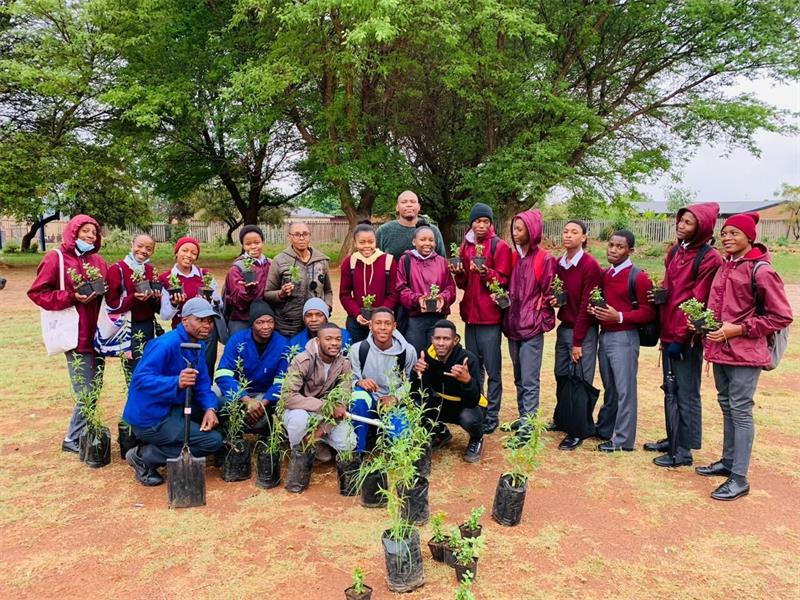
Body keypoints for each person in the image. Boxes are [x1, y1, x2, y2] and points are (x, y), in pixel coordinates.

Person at [698, 213, 792, 501]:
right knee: (727, 406)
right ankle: (728, 462)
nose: (727, 238)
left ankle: (739, 478)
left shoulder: (761, 271)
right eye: (724, 233)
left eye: (734, 233)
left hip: (745, 354)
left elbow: (781, 315)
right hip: (721, 350)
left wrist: (738, 329)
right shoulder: (726, 265)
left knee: (740, 411)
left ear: (749, 237)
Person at [644, 203, 722, 467]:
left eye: (689, 223)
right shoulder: (676, 251)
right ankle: (673, 437)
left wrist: (680, 337)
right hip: (668, 332)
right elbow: (670, 286)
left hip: (685, 336)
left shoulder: (709, 257)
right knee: (670, 387)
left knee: (686, 391)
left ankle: (684, 450)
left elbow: (697, 301)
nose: (681, 226)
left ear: (702, 228)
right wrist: (659, 295)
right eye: (681, 221)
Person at [28, 214, 108, 454]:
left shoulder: (98, 261)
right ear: (73, 232)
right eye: (85, 231)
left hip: (97, 334)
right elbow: (38, 293)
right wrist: (72, 296)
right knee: (85, 389)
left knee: (95, 386)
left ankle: (83, 433)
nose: (90, 236)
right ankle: (73, 438)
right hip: (75, 333)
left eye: (94, 233)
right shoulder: (56, 258)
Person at [122, 298, 223, 486]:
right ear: (184, 321)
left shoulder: (197, 345)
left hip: (175, 406)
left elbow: (202, 383)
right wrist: (175, 382)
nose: (207, 326)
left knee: (222, 403)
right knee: (212, 441)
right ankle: (144, 457)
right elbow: (140, 379)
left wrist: (211, 408)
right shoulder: (166, 344)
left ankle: (172, 440)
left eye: (209, 321)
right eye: (200, 320)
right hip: (151, 418)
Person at [591, 230, 656, 452]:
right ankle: (605, 429)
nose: (613, 250)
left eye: (620, 246)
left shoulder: (638, 276)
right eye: (611, 245)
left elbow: (649, 312)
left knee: (625, 389)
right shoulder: (606, 275)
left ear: (630, 250)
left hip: (625, 337)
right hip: (605, 335)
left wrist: (619, 316)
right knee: (611, 387)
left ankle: (623, 440)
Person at [451, 202, 512, 435]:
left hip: (490, 317)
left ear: (491, 224)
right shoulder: (466, 248)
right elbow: (465, 284)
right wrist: (460, 275)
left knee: (493, 369)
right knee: (475, 369)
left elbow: (504, 280)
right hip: (471, 317)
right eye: (478, 221)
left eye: (486, 221)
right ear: (472, 223)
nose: (482, 225)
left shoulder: (499, 246)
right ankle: (479, 408)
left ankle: (493, 414)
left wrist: (487, 273)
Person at [549, 220, 603, 450]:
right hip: (565, 327)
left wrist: (578, 341)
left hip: (582, 330)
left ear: (583, 238)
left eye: (574, 232)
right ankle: (562, 419)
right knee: (561, 374)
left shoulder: (589, 265)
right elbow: (558, 293)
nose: (568, 235)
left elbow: (585, 305)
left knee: (580, 379)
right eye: (565, 231)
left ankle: (578, 430)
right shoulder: (560, 263)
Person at [502, 209, 556, 430]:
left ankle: (528, 426)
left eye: (520, 229)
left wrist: (538, 317)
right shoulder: (513, 257)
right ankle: (523, 417)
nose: (515, 233)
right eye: (514, 228)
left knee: (530, 379)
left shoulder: (544, 259)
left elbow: (550, 292)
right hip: (512, 326)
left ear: (532, 231)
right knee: (518, 377)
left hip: (531, 328)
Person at [412, 320, 486, 463]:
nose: (441, 343)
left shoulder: (468, 359)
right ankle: (440, 432)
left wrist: (467, 380)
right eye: (437, 338)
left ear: (455, 340)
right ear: (432, 339)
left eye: (446, 339)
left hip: (465, 405)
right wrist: (417, 374)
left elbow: (473, 399)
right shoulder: (425, 356)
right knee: (416, 407)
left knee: (469, 418)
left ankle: (477, 438)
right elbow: (417, 392)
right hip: (440, 403)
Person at [282, 323, 356, 460]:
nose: (334, 343)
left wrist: (321, 430)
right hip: (301, 409)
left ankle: (317, 442)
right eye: (328, 339)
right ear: (318, 341)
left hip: (327, 415)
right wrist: (324, 406)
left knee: (349, 443)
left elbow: (341, 401)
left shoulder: (344, 364)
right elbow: (288, 397)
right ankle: (299, 453)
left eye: (338, 339)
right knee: (298, 421)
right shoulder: (302, 360)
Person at [349, 307, 417, 452]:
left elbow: (410, 382)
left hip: (393, 402)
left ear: (394, 326)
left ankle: (391, 443)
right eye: (378, 323)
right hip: (369, 399)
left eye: (387, 323)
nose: (383, 328)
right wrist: (359, 382)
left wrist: (395, 397)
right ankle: (358, 451)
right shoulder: (358, 349)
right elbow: (350, 378)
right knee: (357, 399)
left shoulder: (407, 351)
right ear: (370, 325)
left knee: (400, 441)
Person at [214, 300, 289, 433]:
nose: (266, 326)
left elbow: (281, 381)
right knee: (213, 393)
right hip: (240, 392)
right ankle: (225, 431)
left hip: (265, 396)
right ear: (252, 325)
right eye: (260, 322)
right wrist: (246, 400)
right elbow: (223, 375)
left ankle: (265, 432)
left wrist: (264, 402)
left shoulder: (282, 344)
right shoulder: (237, 340)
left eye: (270, 321)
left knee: (284, 401)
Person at [158, 236, 222, 375]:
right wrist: (174, 303)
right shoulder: (166, 279)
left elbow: (219, 303)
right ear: (176, 252)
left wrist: (209, 301)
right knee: (183, 369)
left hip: (206, 333)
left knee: (205, 369)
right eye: (184, 250)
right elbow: (164, 315)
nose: (189, 255)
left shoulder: (204, 276)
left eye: (194, 253)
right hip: (182, 332)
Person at [105, 234, 162, 382]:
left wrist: (156, 298)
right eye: (140, 246)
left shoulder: (150, 271)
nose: (143, 251)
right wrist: (133, 298)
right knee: (133, 373)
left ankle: (146, 403)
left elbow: (157, 309)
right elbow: (111, 304)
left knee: (148, 369)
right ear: (132, 245)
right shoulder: (117, 270)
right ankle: (135, 402)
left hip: (148, 327)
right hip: (127, 328)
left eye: (148, 249)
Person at [264, 221, 332, 338]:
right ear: (289, 237)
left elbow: (328, 290)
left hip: (315, 323)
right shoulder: (279, 260)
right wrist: (281, 293)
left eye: (305, 234)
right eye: (297, 234)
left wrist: (327, 307)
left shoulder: (321, 261)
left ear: (310, 236)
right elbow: (267, 293)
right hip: (288, 324)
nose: (301, 238)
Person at [396, 225, 456, 353]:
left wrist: (442, 299)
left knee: (437, 356)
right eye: (422, 240)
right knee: (415, 356)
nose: (427, 243)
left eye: (431, 240)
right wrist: (418, 300)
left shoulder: (442, 261)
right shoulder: (406, 260)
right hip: (414, 319)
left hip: (438, 318)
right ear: (414, 242)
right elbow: (401, 288)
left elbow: (450, 288)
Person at [339, 222, 398, 343]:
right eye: (362, 242)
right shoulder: (349, 263)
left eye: (371, 242)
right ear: (355, 243)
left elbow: (394, 294)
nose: (367, 246)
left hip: (383, 320)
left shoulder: (388, 261)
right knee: (357, 354)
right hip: (357, 320)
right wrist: (357, 314)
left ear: (376, 242)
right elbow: (344, 294)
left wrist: (380, 316)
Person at [223, 225, 271, 336]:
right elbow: (236, 302)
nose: (253, 246)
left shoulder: (271, 264)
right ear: (243, 246)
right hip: (242, 319)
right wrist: (248, 291)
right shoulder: (237, 268)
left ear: (262, 242)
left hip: (265, 319)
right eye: (248, 244)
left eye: (257, 242)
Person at [375, 190, 446, 260]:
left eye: (413, 201)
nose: (409, 205)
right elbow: (375, 262)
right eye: (404, 202)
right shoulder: (383, 231)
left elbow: (442, 261)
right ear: (397, 207)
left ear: (419, 207)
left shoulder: (432, 230)